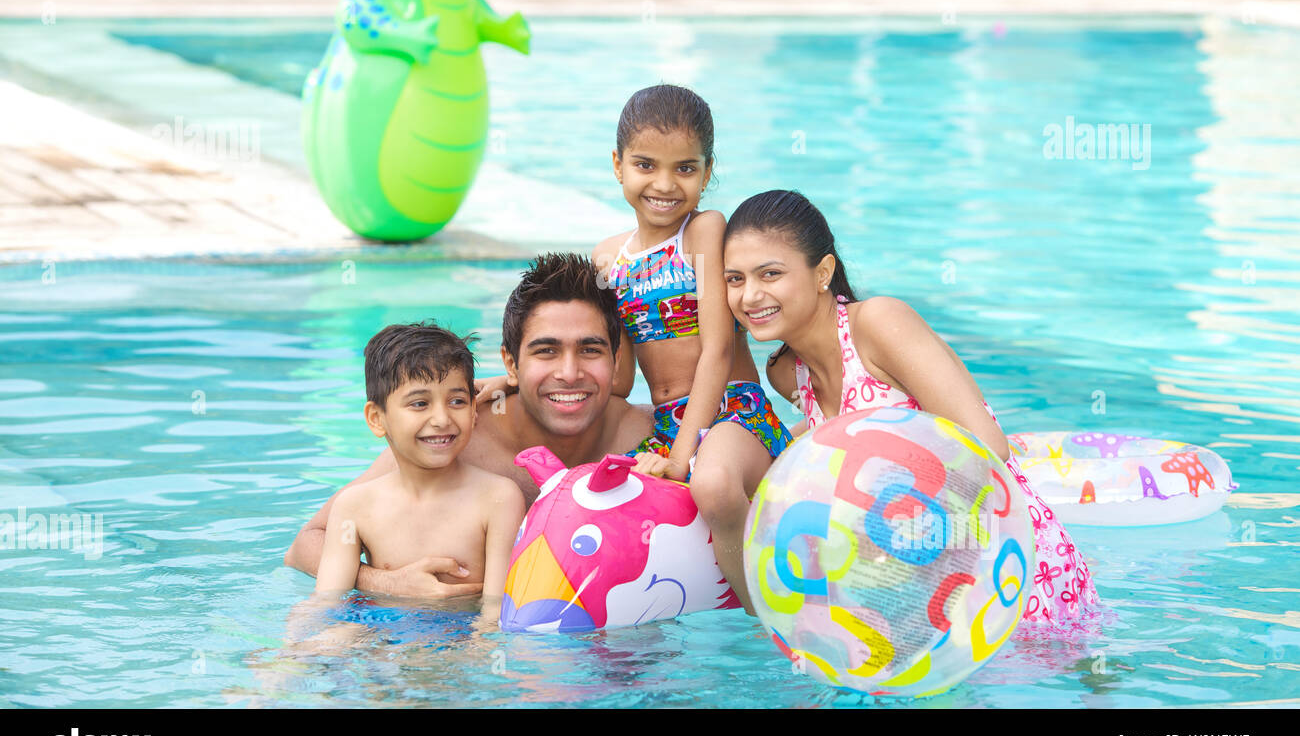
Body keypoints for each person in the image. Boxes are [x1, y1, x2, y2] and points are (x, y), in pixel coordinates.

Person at [722, 189, 1100, 627]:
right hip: (922, 585)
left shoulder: (879, 324)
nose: (750, 296)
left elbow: (989, 447)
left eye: (770, 274)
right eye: (735, 279)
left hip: (1010, 566)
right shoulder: (788, 372)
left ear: (823, 271)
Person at [283, 253, 654, 598]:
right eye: (546, 351)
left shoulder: (651, 440)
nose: (570, 374)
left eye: (590, 350)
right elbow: (306, 545)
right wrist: (389, 582)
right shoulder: (458, 436)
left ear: (617, 360)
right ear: (511, 364)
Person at [593, 84, 791, 615]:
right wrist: (516, 385)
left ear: (707, 172)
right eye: (644, 164)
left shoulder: (703, 230)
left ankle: (766, 621)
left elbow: (718, 350)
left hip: (731, 409)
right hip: (667, 422)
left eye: (685, 168)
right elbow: (617, 377)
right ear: (617, 165)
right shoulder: (609, 258)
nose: (664, 184)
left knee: (716, 484)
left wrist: (683, 455)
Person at [314, 322, 525, 625]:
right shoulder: (355, 506)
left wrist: (479, 658)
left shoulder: (498, 498)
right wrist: (295, 651)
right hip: (383, 640)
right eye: (420, 403)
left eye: (457, 401)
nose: (441, 419)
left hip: (464, 646)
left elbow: (496, 610)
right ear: (377, 419)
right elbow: (327, 604)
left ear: (474, 411)